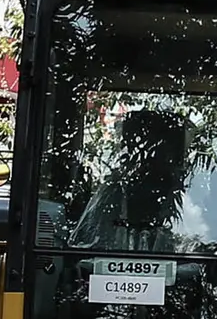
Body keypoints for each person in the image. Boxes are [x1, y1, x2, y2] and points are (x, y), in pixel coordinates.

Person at [69, 108, 194, 252]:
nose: (182, 164)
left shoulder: (187, 194)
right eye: (179, 154)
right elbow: (88, 253)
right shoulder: (115, 193)